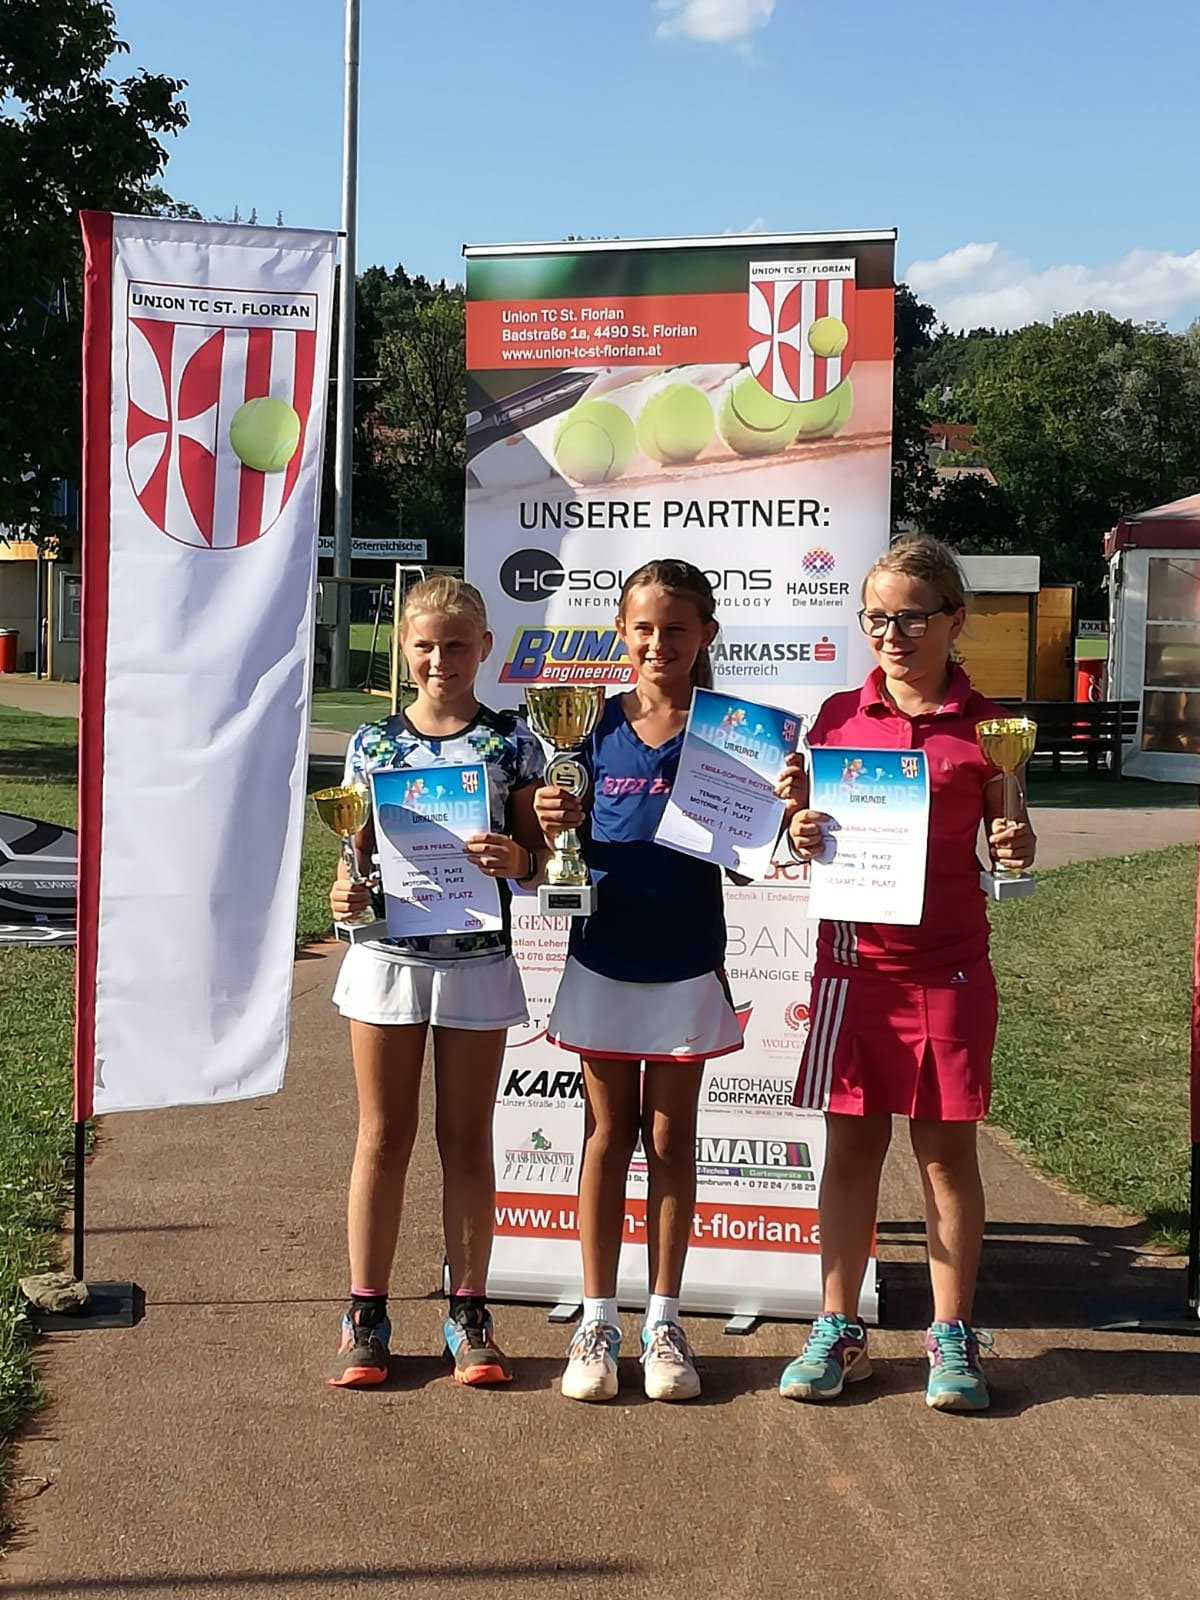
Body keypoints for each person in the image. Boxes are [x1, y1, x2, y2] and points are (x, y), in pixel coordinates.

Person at [533, 559, 804, 1404]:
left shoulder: (736, 737)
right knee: (605, 1138)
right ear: (621, 633)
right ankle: (596, 1320)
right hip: (604, 956)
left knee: (671, 1141)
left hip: (687, 959)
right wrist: (547, 825)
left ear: (706, 637)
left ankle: (665, 1320)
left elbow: (756, 871)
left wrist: (781, 812)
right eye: (643, 628)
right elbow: (554, 856)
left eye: (676, 629)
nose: (658, 643)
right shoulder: (584, 729)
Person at [778, 535, 1035, 1413]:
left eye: (912, 617)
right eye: (877, 618)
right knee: (851, 1153)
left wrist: (1016, 846)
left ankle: (952, 1335)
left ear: (955, 622)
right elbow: (805, 834)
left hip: (949, 968)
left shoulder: (990, 729)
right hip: (855, 968)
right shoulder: (835, 718)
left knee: (945, 1160)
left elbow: (1013, 853)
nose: (892, 633)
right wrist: (802, 831)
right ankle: (837, 1328)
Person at [327, 576, 545, 1389]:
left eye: (457, 644)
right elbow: (352, 866)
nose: (440, 659)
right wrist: (343, 896)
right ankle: (366, 1313)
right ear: (404, 651)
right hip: (387, 962)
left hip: (476, 965)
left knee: (466, 1141)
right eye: (425, 644)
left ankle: (468, 1311)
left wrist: (517, 861)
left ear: (485, 648)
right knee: (383, 1138)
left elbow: (539, 861)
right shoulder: (372, 745)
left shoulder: (513, 744)